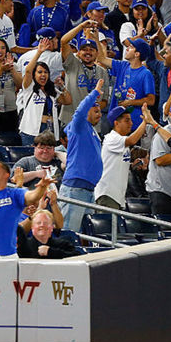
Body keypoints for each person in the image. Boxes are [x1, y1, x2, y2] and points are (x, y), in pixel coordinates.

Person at [58, 79, 104, 231]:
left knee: (85, 236)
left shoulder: (92, 131)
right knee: (68, 233)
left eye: (100, 112)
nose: (99, 115)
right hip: (75, 188)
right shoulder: (79, 126)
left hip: (89, 190)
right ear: (87, 112)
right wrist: (95, 93)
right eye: (95, 111)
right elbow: (79, 111)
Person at [94, 105, 149, 210]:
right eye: (127, 120)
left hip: (116, 196)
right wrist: (145, 121)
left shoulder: (121, 141)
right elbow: (132, 140)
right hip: (108, 194)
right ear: (116, 123)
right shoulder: (112, 138)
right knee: (108, 226)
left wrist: (131, 165)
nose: (131, 123)